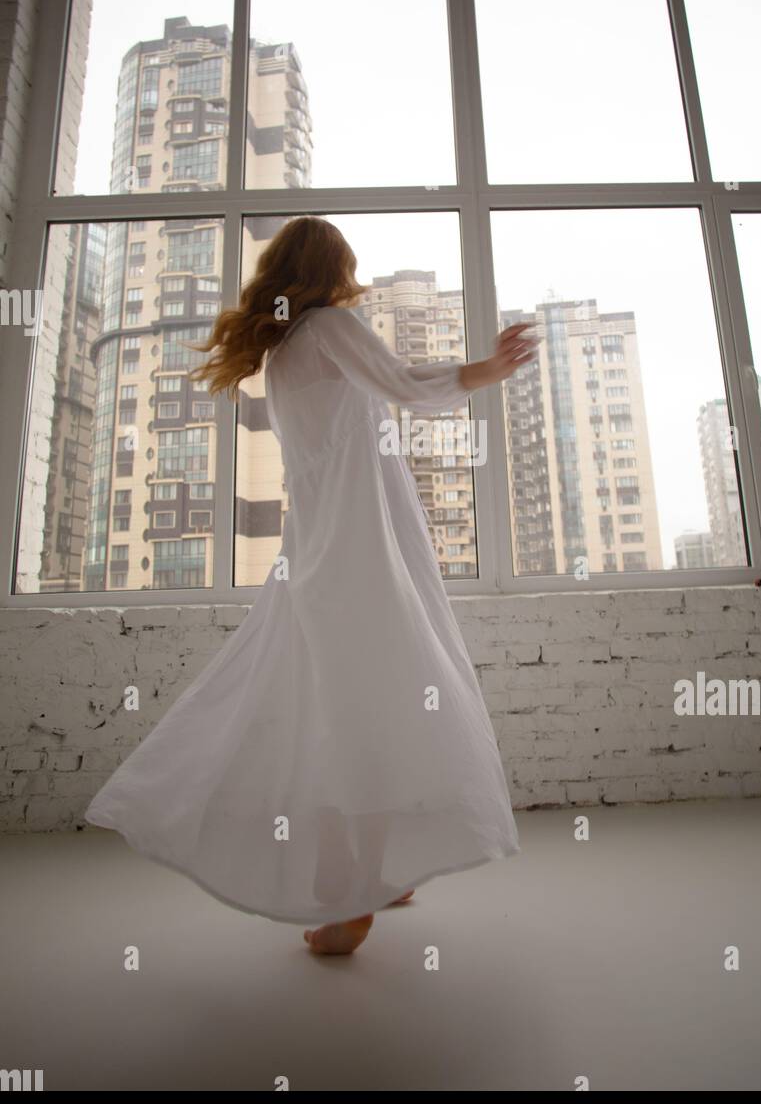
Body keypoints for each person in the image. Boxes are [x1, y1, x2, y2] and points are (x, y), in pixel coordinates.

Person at [85, 215, 537, 955]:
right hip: (364, 553)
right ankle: (346, 896)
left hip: (321, 553)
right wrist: (486, 371)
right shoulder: (328, 327)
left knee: (358, 713)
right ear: (331, 268)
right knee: (364, 720)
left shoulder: (286, 348)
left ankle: (375, 881)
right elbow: (402, 384)